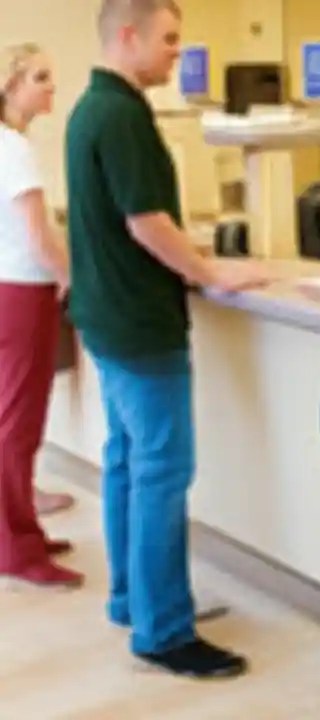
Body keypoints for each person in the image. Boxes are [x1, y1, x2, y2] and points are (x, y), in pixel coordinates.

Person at [65, 0, 269, 677]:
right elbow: (146, 221)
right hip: (138, 324)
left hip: (106, 316)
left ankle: (134, 599)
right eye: (170, 40)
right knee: (161, 472)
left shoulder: (87, 109)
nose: (178, 54)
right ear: (129, 36)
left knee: (128, 462)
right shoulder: (122, 115)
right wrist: (211, 271)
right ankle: (162, 630)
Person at [0, 43, 80, 589]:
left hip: (9, 289)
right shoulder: (14, 150)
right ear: (10, 86)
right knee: (17, 427)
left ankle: (20, 529)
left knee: (12, 423)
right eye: (40, 78)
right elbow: (38, 235)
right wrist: (74, 276)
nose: (51, 88)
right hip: (24, 293)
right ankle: (17, 548)